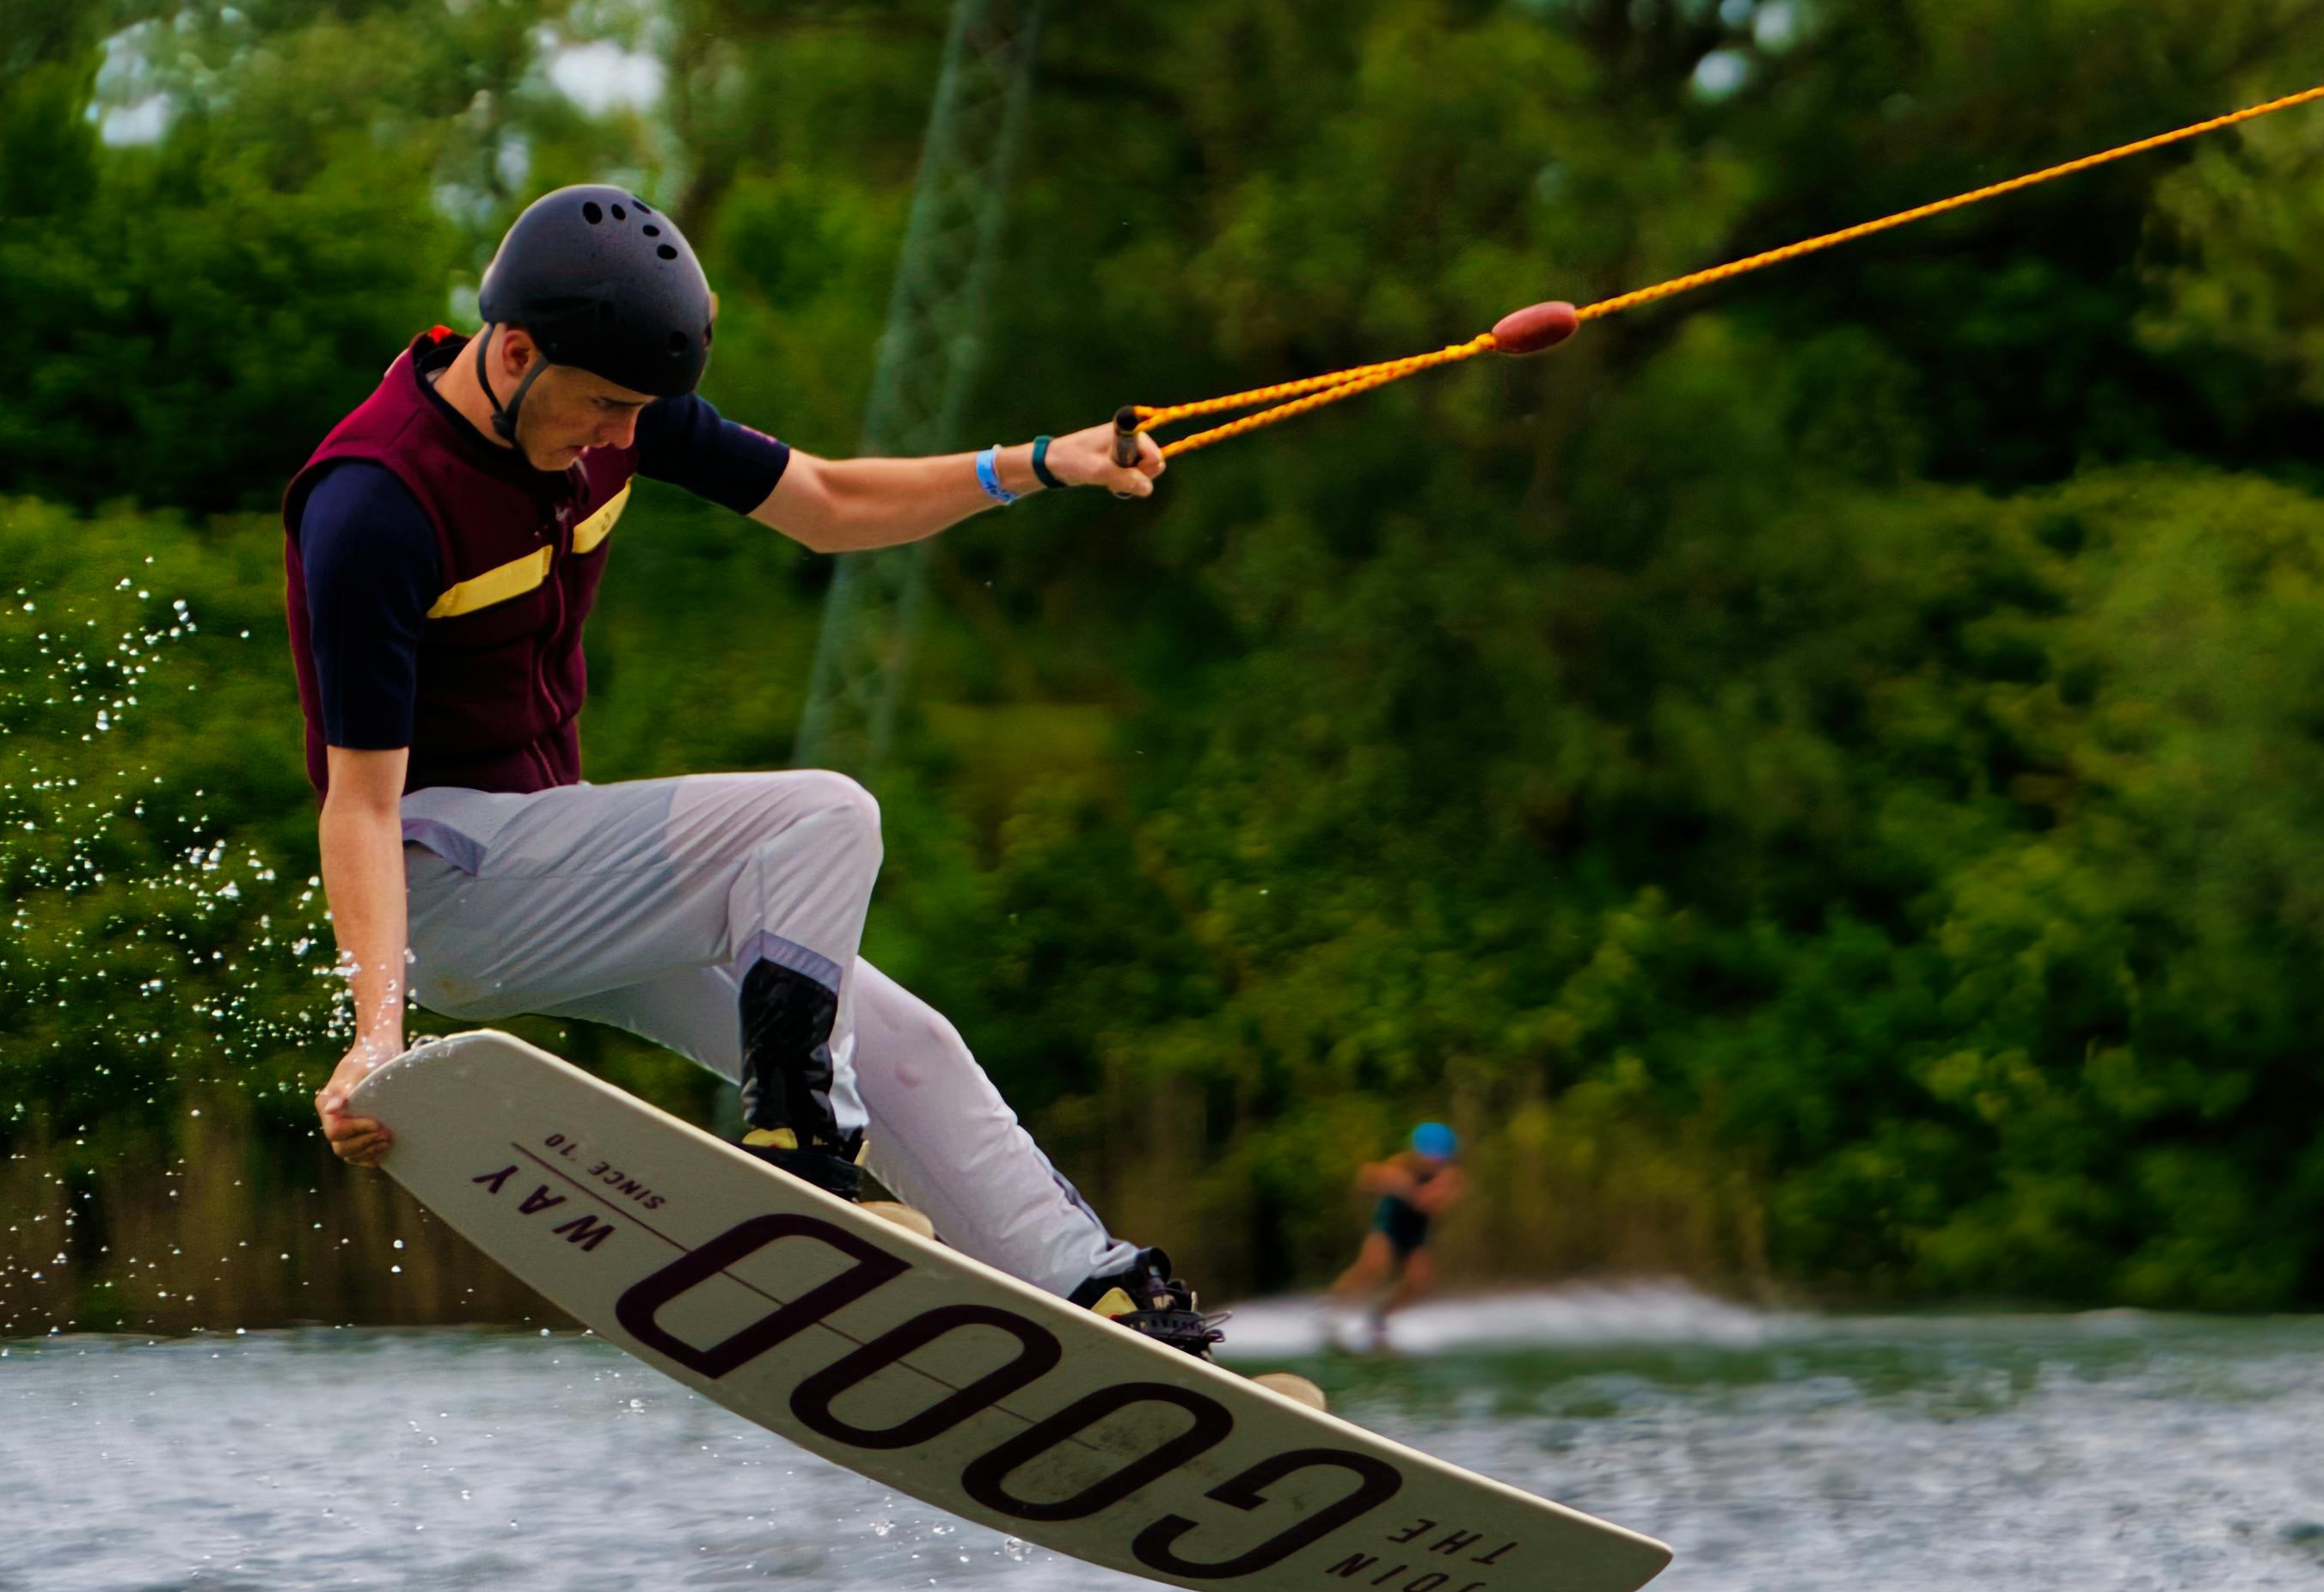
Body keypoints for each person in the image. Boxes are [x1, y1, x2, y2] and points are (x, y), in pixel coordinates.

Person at [292, 181, 1219, 1352]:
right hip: (444, 881)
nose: (622, 438)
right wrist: (377, 1030)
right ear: (516, 351)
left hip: (559, 868)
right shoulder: (374, 500)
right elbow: (361, 808)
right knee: (819, 817)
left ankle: (1092, 1294)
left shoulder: (612, 399)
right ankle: (799, 1151)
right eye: (604, 408)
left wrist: (1041, 463)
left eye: (639, 413)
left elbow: (827, 503)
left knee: (905, 1043)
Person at [1324, 1124, 1466, 1350]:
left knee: (1419, 1280)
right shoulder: (1401, 1163)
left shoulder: (1449, 1176)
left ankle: (1380, 1319)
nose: (1432, 1162)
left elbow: (1427, 1204)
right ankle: (1331, 1308)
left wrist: (1403, 1186)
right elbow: (1366, 1179)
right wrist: (1381, 1179)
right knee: (1372, 1265)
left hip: (1417, 1231)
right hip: (1389, 1223)